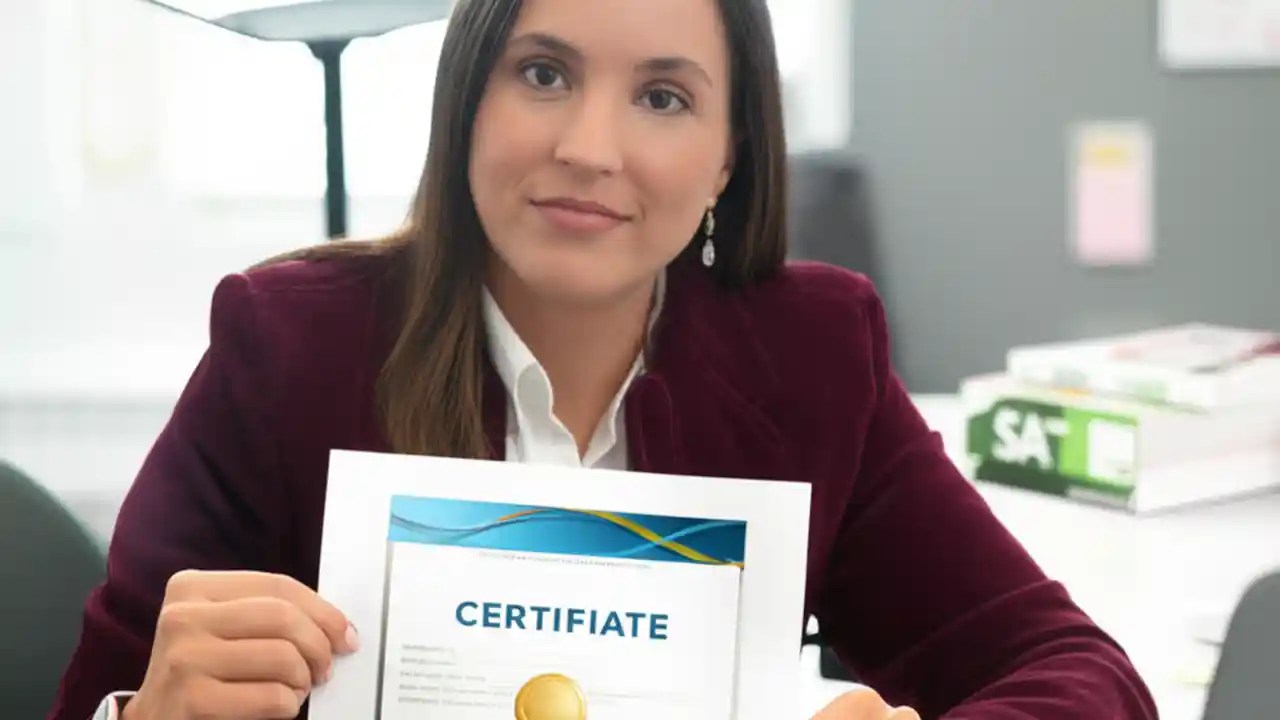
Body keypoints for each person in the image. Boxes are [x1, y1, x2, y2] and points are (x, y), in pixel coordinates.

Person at [50, 0, 1159, 718]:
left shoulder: (813, 352)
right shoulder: (286, 347)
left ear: (730, 159)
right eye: (542, 74)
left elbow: (1077, 674)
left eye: (663, 97)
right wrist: (146, 715)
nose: (588, 147)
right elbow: (101, 695)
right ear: (465, 98)